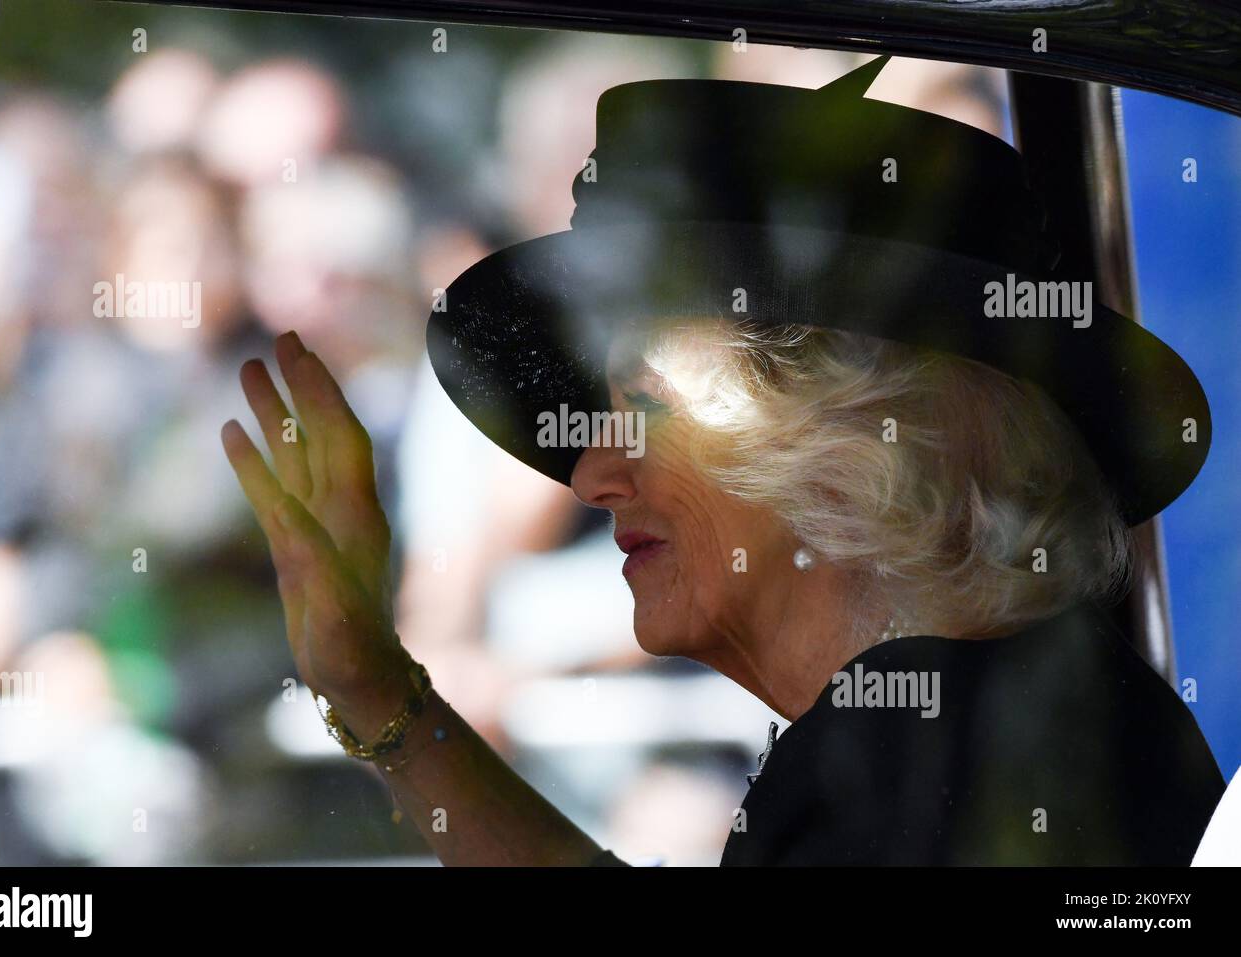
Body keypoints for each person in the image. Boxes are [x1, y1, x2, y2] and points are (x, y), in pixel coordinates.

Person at [221, 57, 1224, 865]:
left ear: (849, 447)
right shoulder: (988, 715)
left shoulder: (914, 750)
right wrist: (379, 694)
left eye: (647, 410)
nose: (588, 478)